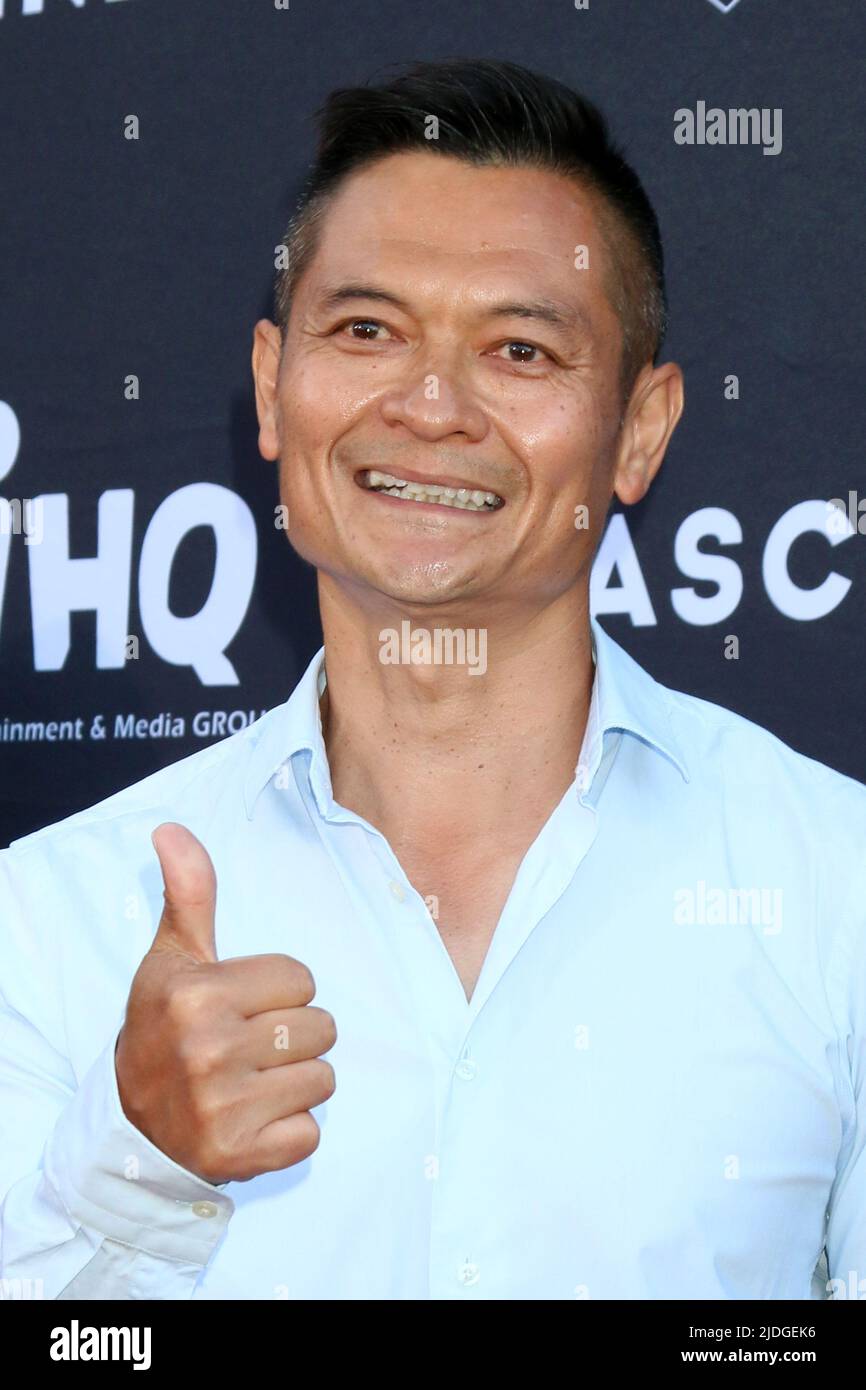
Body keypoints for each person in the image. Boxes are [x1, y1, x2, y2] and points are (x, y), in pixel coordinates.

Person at [1, 58, 863, 1302]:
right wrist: (137, 1163)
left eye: (518, 348)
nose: (428, 404)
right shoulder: (53, 920)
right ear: (268, 386)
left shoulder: (828, 890)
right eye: (365, 330)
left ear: (638, 431)